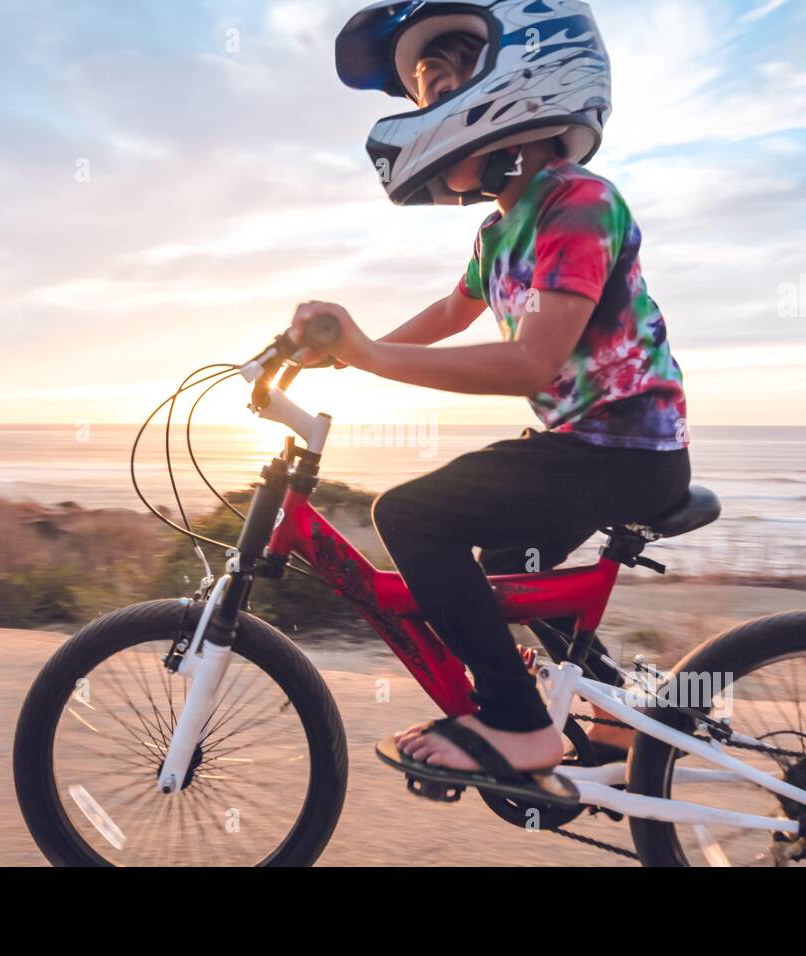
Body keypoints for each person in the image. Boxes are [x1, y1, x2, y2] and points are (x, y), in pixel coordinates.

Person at [291, 0, 691, 802]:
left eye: (439, 81)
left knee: (409, 516)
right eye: (418, 92)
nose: (425, 106)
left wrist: (371, 353)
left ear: (522, 78)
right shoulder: (497, 233)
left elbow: (531, 362)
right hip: (587, 450)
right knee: (512, 571)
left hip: (625, 454)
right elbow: (450, 313)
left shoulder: (579, 201)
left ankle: (516, 721)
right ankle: (615, 723)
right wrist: (346, 357)